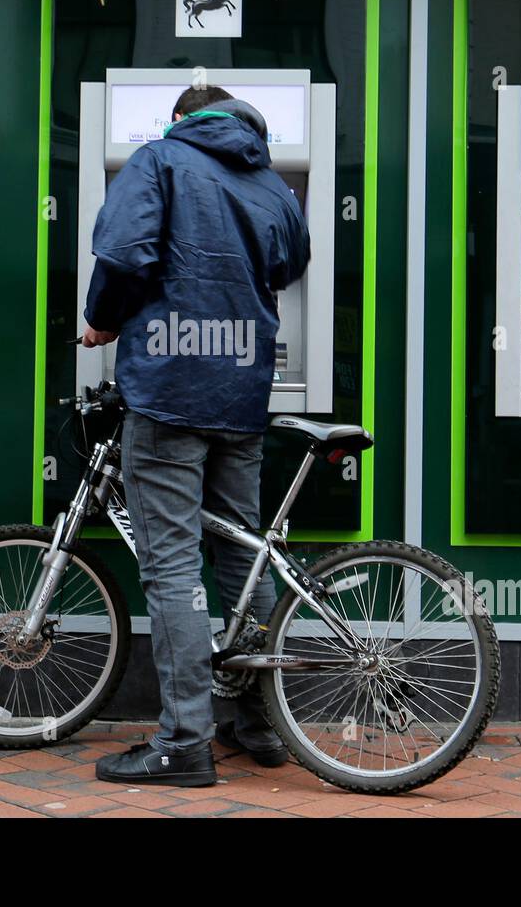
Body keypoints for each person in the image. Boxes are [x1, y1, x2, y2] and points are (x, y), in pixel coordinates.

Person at [82, 85, 311, 787]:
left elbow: (123, 254)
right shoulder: (270, 182)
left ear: (181, 119)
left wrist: (104, 319)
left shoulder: (160, 161)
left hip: (171, 386)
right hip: (241, 388)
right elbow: (289, 266)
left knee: (173, 564)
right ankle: (262, 725)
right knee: (244, 556)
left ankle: (183, 741)